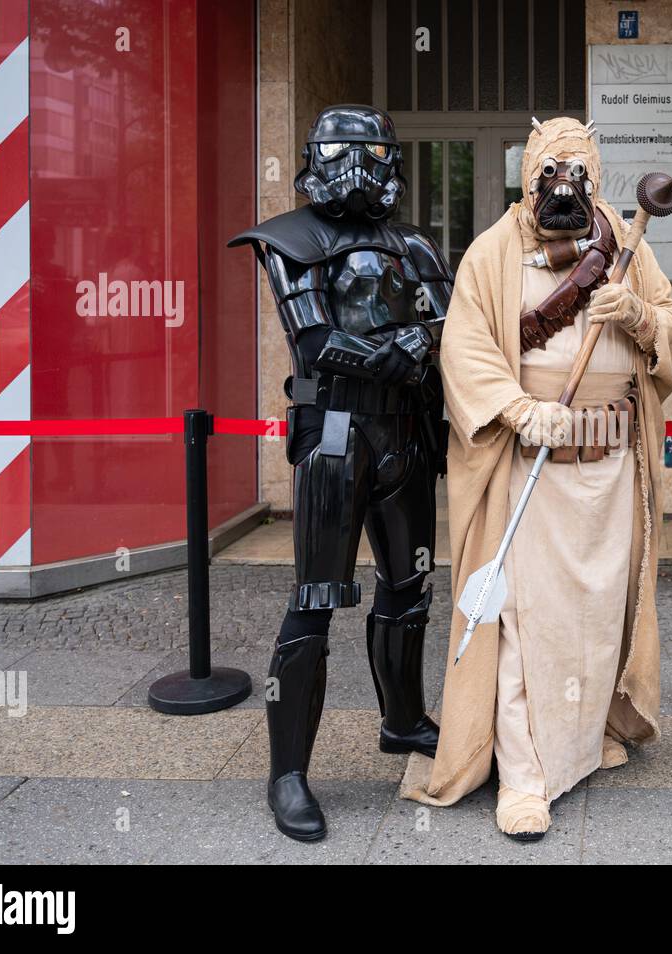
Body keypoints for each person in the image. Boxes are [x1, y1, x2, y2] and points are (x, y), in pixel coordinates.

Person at [400, 117, 672, 841]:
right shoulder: (493, 254)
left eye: (577, 172)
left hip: (612, 470)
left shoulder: (627, 243)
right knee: (527, 624)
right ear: (527, 178)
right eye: (550, 172)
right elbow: (462, 348)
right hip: (532, 469)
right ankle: (526, 774)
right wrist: (519, 409)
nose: (564, 183)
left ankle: (584, 744)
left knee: (599, 617)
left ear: (595, 176)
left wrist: (642, 317)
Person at [230, 105, 452, 841]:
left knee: (409, 587)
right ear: (315, 157)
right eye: (342, 151)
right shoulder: (292, 240)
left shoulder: (413, 244)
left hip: (406, 431)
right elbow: (314, 335)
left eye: (371, 152)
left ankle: (402, 719)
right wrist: (394, 350)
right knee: (316, 601)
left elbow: (450, 323)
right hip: (334, 432)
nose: (357, 166)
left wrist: (417, 345)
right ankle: (287, 772)